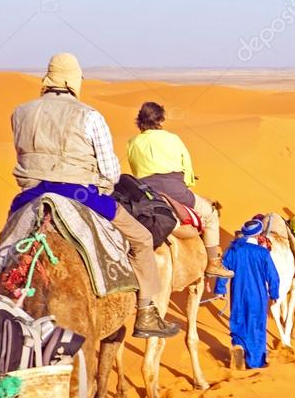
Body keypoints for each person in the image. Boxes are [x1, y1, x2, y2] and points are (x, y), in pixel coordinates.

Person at [10, 53, 178, 339]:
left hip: (30, 198)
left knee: (8, 248)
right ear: (74, 81)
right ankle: (147, 313)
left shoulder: (20, 113)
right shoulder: (89, 116)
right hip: (81, 195)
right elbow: (111, 172)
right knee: (142, 239)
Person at [126, 102, 233, 279]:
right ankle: (213, 262)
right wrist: (188, 182)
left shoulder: (132, 142)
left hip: (147, 194)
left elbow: (135, 169)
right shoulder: (172, 138)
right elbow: (187, 168)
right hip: (175, 190)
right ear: (160, 119)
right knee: (211, 215)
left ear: (140, 120)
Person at [214, 219, 280, 370]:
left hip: (238, 294)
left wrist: (220, 289)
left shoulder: (233, 249)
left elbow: (223, 270)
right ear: (258, 235)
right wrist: (274, 294)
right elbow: (273, 276)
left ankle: (239, 345)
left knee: (238, 322)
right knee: (256, 326)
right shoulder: (262, 253)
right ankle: (255, 363)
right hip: (257, 296)